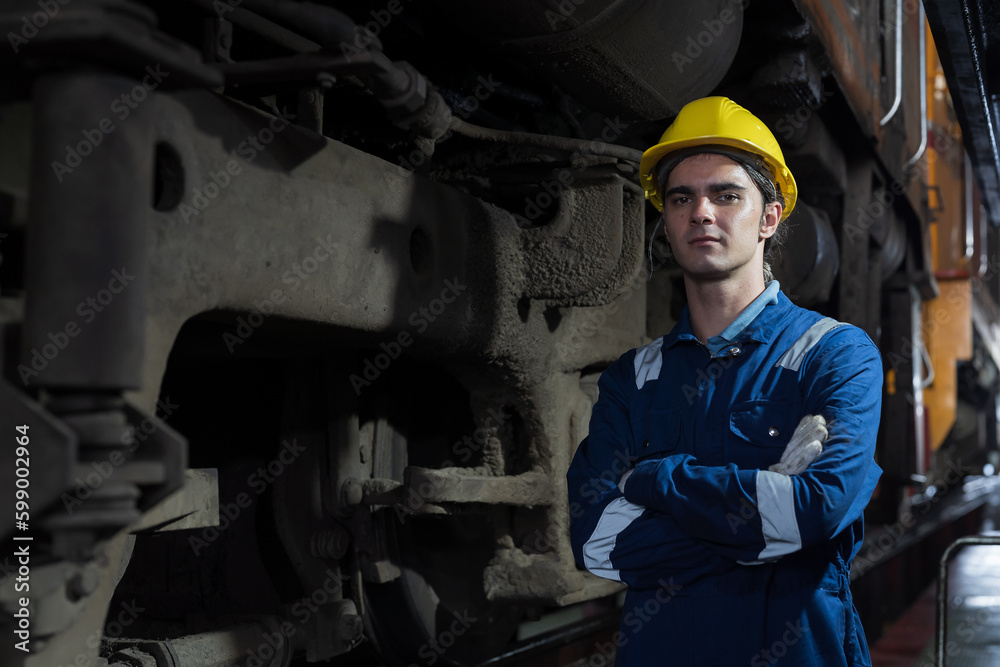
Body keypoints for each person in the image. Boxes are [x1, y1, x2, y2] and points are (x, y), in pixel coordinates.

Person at [567, 96, 883, 666]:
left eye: (727, 195)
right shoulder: (632, 380)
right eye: (682, 198)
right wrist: (766, 526)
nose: (702, 213)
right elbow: (596, 543)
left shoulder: (835, 355)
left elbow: (814, 510)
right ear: (665, 219)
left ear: (770, 217)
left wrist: (660, 479)